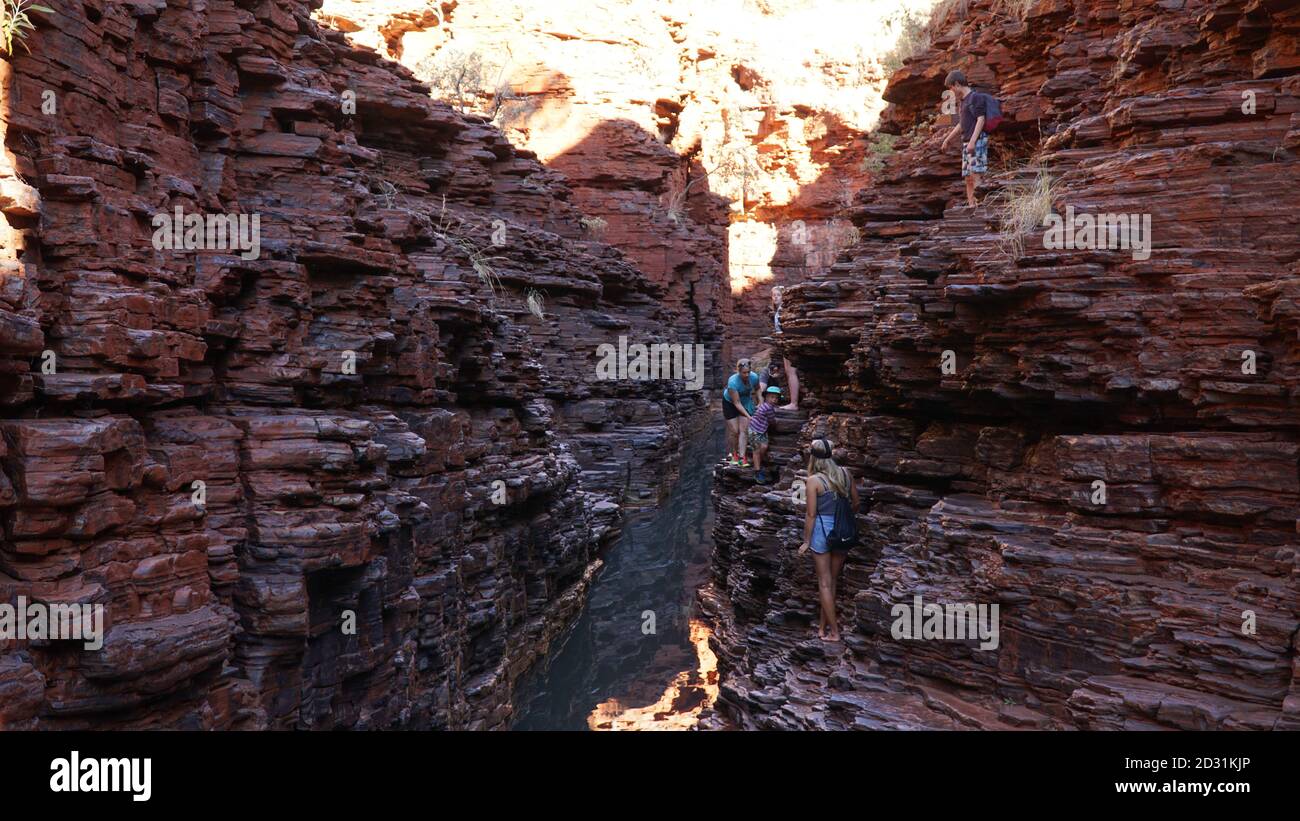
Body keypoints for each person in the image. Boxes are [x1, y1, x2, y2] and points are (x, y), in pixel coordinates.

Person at [797, 438, 858, 642]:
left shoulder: (814, 481)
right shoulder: (846, 474)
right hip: (842, 531)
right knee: (832, 581)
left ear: (813, 458)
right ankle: (822, 628)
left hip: (822, 532)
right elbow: (856, 503)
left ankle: (834, 632)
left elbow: (811, 514)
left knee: (824, 583)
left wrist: (806, 541)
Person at [939, 69, 988, 208]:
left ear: (957, 84)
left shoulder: (975, 97)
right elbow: (962, 124)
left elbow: (981, 119)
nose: (951, 91)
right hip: (967, 142)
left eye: (951, 88)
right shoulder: (963, 101)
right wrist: (947, 139)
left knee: (976, 175)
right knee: (968, 177)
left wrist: (973, 141)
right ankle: (972, 206)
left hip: (977, 141)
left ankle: (979, 208)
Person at [722, 358, 760, 466]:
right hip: (730, 403)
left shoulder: (754, 377)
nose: (747, 375)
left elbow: (758, 389)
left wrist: (760, 402)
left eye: (748, 372)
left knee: (744, 430)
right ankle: (734, 454)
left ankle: (742, 458)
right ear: (738, 371)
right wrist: (749, 416)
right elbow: (737, 403)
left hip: (746, 402)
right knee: (735, 431)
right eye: (744, 373)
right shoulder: (732, 382)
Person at [771, 287, 800, 409]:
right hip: (784, 343)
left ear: (783, 297)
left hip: (788, 343)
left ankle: (794, 403)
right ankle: (793, 402)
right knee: (789, 372)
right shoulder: (779, 310)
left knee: (791, 372)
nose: (775, 297)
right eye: (773, 295)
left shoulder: (783, 310)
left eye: (778, 295)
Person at [749, 386, 781, 484]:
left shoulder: (769, 406)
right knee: (756, 450)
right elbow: (772, 420)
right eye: (772, 397)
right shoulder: (767, 407)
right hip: (754, 430)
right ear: (766, 397)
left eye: (776, 398)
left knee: (764, 447)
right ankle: (757, 471)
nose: (774, 400)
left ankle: (758, 461)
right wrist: (775, 424)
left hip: (762, 431)